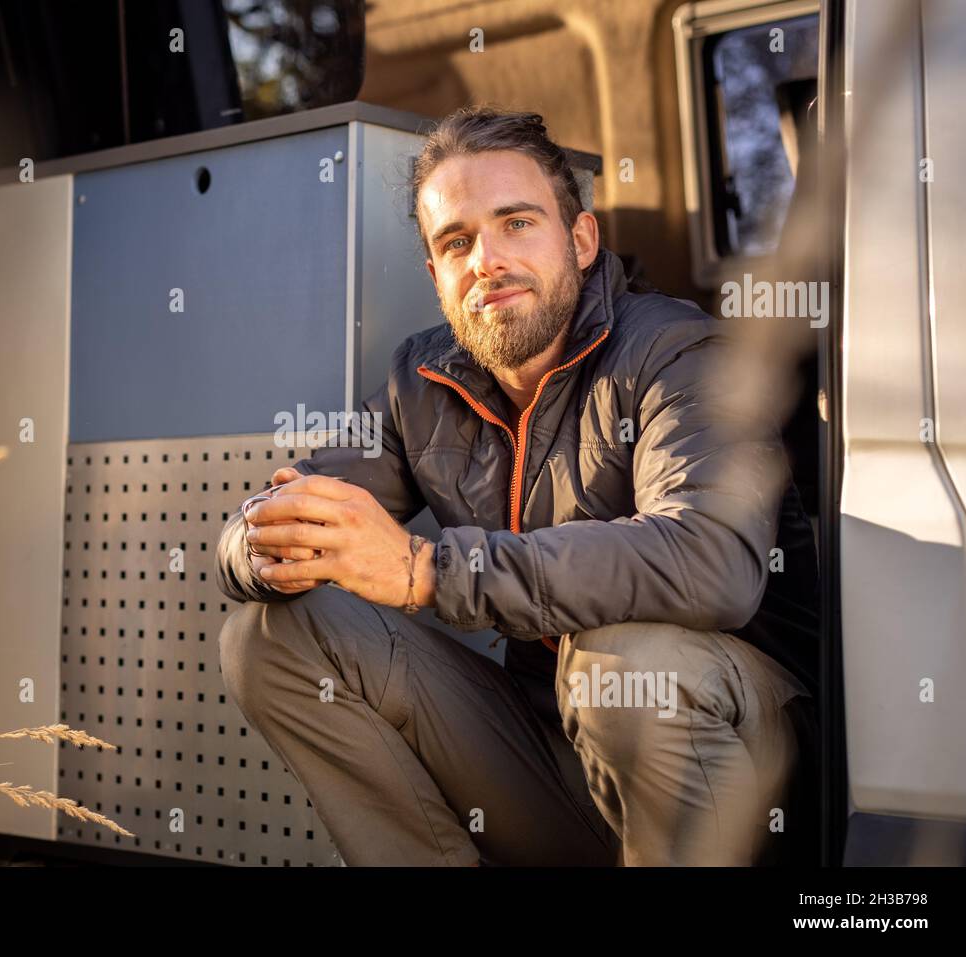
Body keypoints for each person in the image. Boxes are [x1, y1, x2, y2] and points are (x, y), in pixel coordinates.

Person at [215, 105, 820, 866]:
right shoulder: (420, 382)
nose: (487, 261)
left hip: (735, 768)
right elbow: (256, 524)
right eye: (457, 242)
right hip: (555, 757)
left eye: (517, 224)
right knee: (267, 636)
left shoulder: (678, 350)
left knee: (620, 665)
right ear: (436, 276)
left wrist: (426, 570)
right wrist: (269, 541)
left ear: (581, 239)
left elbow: (715, 562)